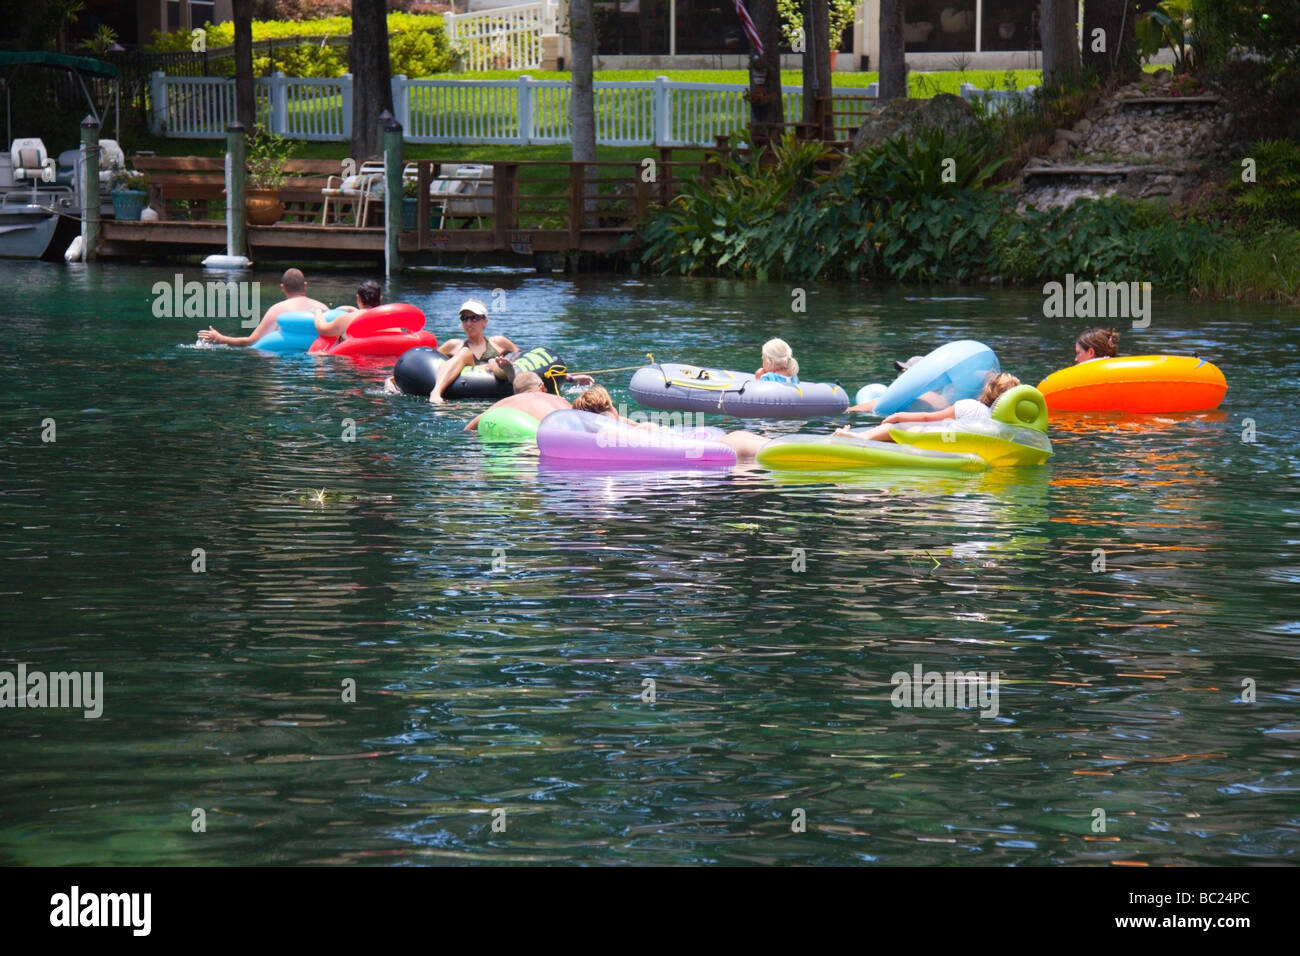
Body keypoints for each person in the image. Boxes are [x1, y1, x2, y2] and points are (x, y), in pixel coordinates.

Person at [835, 372, 1022, 443]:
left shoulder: (969, 406)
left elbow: (927, 418)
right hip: (968, 448)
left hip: (941, 443)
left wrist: (899, 417)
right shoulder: (1006, 422)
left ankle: (856, 437)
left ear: (988, 391)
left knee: (896, 429)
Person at [197, 268, 327, 347]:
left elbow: (250, 341)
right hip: (317, 352)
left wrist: (220, 338)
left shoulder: (277, 309)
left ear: (283, 288)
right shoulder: (322, 308)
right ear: (305, 286)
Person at [429, 298, 520, 404]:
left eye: (474, 318)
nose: (468, 323)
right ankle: (436, 392)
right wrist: (481, 368)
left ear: (485, 322)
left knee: (494, 362)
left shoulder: (499, 342)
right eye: (464, 318)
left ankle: (508, 373)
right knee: (465, 352)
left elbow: (522, 357)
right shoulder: (453, 345)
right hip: (465, 390)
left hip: (496, 381)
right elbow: (433, 362)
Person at [464, 371, 571, 431]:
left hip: (535, 441)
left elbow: (468, 429)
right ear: (542, 387)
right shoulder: (561, 400)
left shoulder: (509, 402)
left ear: (515, 393)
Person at [846, 355, 923, 413]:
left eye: (906, 371)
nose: (901, 374)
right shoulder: (929, 395)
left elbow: (878, 404)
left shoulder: (904, 397)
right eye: (902, 370)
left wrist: (848, 409)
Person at [312, 279, 382, 341]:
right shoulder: (386, 317)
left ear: (358, 298)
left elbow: (322, 329)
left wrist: (318, 311)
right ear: (380, 298)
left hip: (351, 354)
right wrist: (353, 310)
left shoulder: (347, 319)